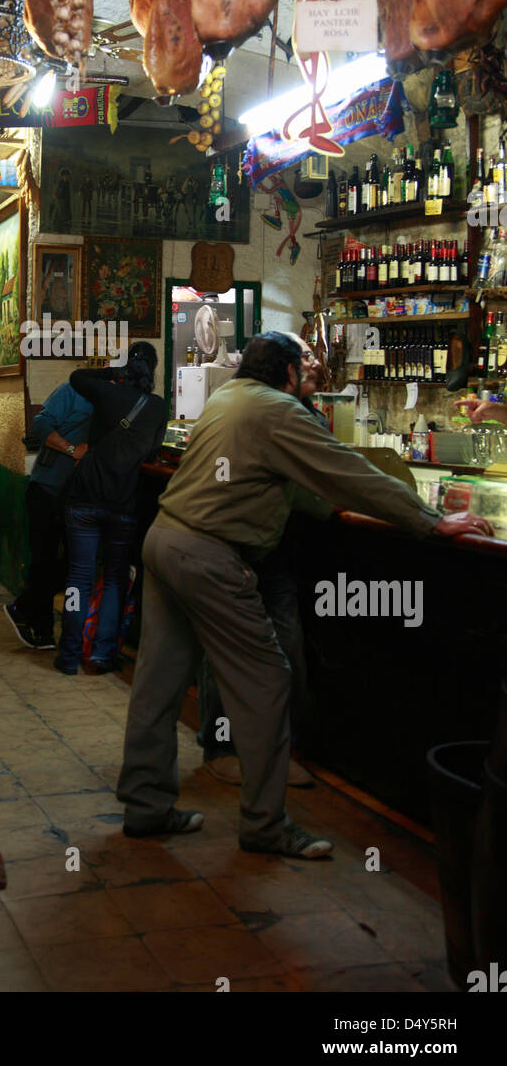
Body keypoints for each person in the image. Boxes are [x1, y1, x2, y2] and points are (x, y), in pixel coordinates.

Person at [117, 331, 492, 856]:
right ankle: (265, 825)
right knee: (269, 683)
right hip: (210, 556)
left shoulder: (229, 398)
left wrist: (340, 511)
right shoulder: (278, 410)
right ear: (290, 374)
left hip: (165, 541)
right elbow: (346, 471)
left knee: (158, 685)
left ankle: (145, 806)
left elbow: (288, 483)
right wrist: (429, 522)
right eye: (306, 363)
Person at [198, 333, 327, 788]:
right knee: (227, 655)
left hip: (281, 554)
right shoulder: (261, 409)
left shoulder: (312, 417)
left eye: (312, 355)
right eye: (303, 357)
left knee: (287, 653)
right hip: (240, 548)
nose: (311, 364)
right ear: (284, 370)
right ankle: (221, 748)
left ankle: (278, 752)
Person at [57, 343, 167, 675]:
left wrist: (114, 374)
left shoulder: (107, 393)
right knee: (117, 579)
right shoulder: (159, 407)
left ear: (125, 368)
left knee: (79, 578)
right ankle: (102, 656)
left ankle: (69, 657)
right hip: (124, 503)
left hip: (85, 500)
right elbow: (152, 453)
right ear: (154, 370)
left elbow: (77, 377)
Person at [3, 380, 93, 650]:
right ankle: (40, 629)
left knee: (73, 561)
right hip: (47, 488)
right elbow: (40, 425)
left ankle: (25, 607)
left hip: (77, 495)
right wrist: (71, 449)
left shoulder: (115, 400)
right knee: (44, 559)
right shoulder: (73, 391)